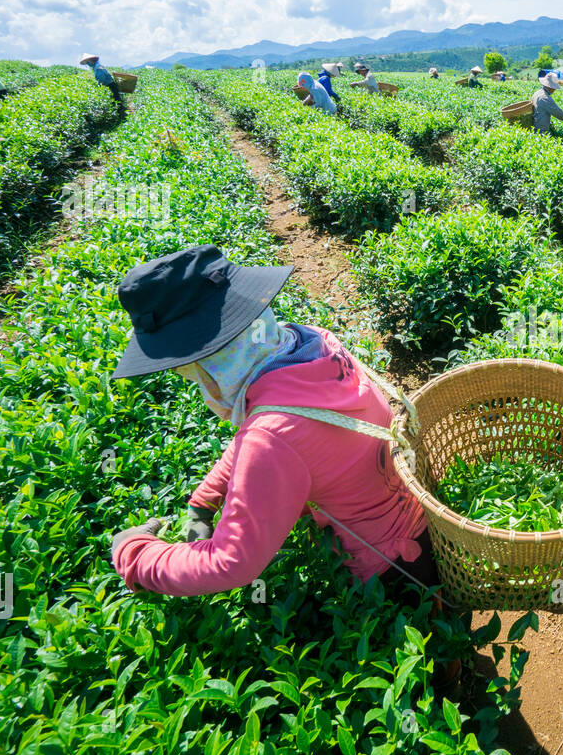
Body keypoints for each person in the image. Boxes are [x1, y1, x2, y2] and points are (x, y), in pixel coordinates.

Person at [107, 245, 437, 604]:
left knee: (433, 647)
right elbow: (285, 433)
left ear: (213, 364)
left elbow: (231, 563)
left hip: (389, 571)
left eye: (190, 373)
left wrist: (135, 554)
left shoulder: (272, 436)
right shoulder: (311, 343)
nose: (195, 383)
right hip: (424, 519)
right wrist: (205, 498)